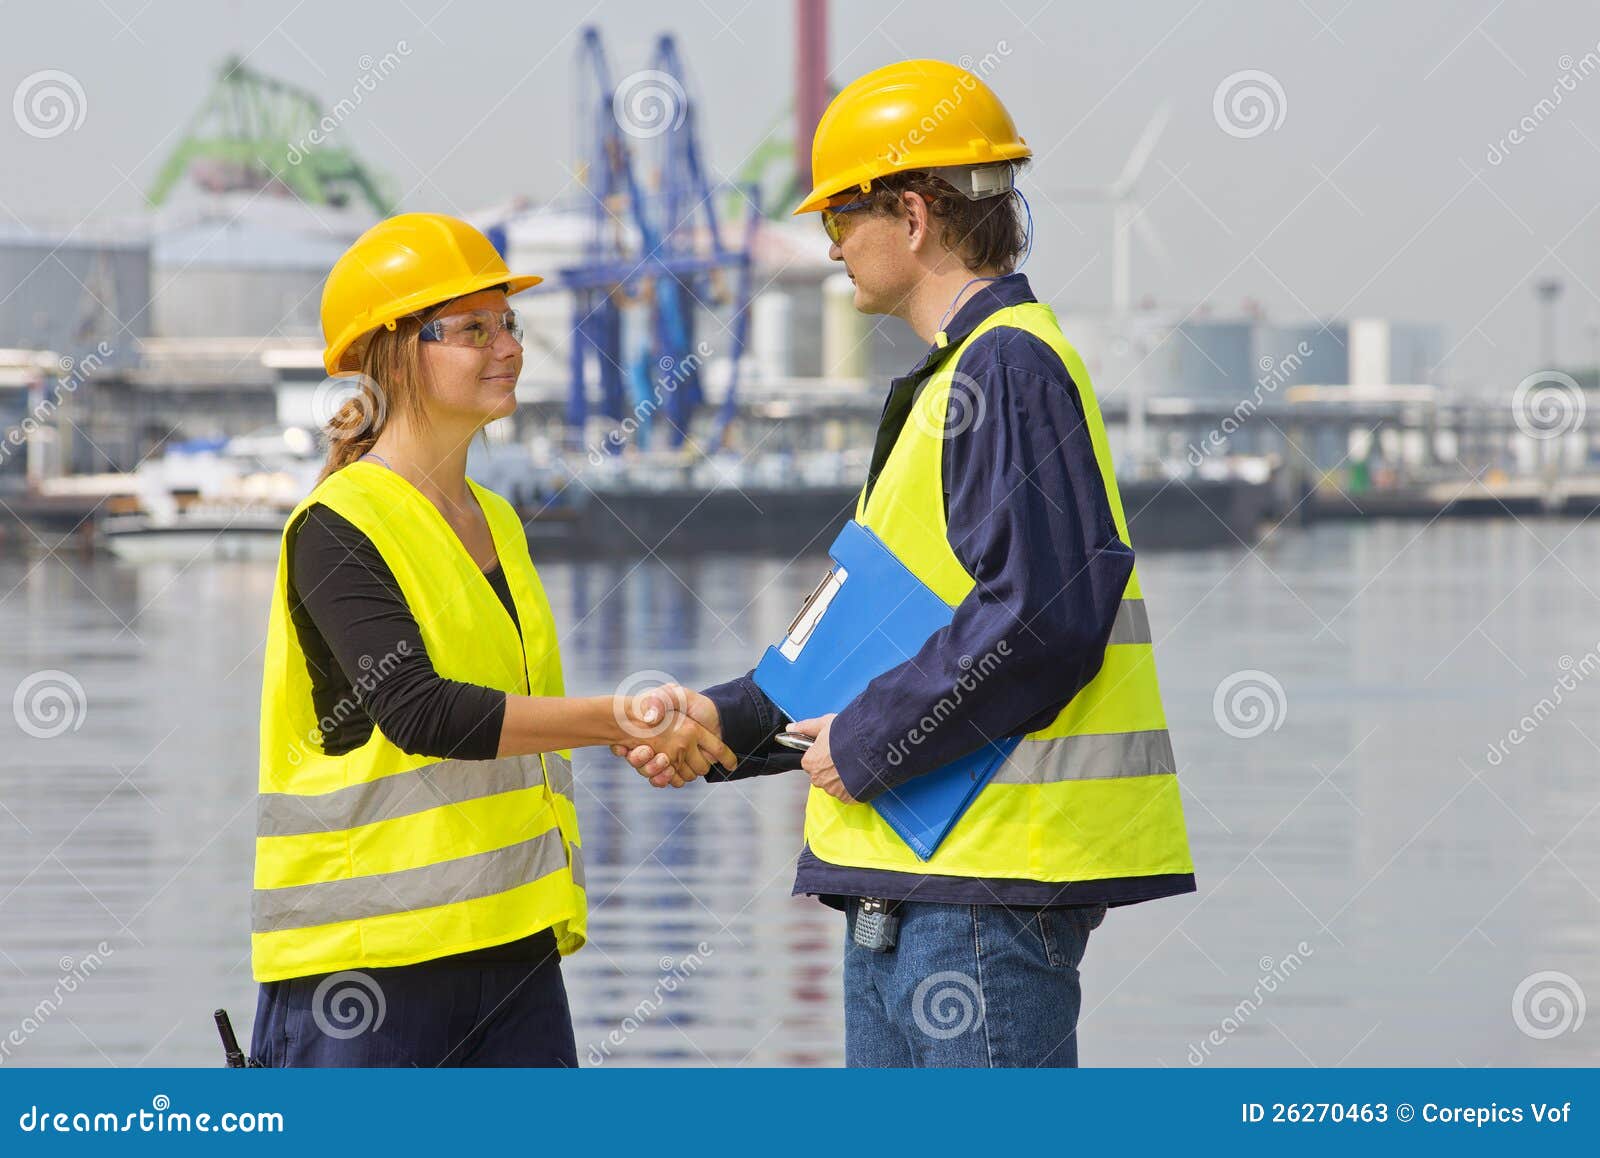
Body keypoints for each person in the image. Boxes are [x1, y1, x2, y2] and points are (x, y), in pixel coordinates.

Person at [616, 60, 1197, 1067]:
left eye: (842, 213)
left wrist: (877, 740)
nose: (831, 242)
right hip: (907, 891)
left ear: (914, 215)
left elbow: (1044, 617)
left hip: (978, 903)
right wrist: (729, 724)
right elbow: (868, 635)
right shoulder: (951, 382)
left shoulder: (1004, 365)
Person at [250, 212, 734, 1068]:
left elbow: (515, 720)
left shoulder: (500, 522)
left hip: (513, 954)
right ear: (390, 352)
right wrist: (622, 720)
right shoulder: (336, 526)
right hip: (369, 977)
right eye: (472, 328)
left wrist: (646, 726)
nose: (506, 346)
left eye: (507, 323)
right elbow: (419, 712)